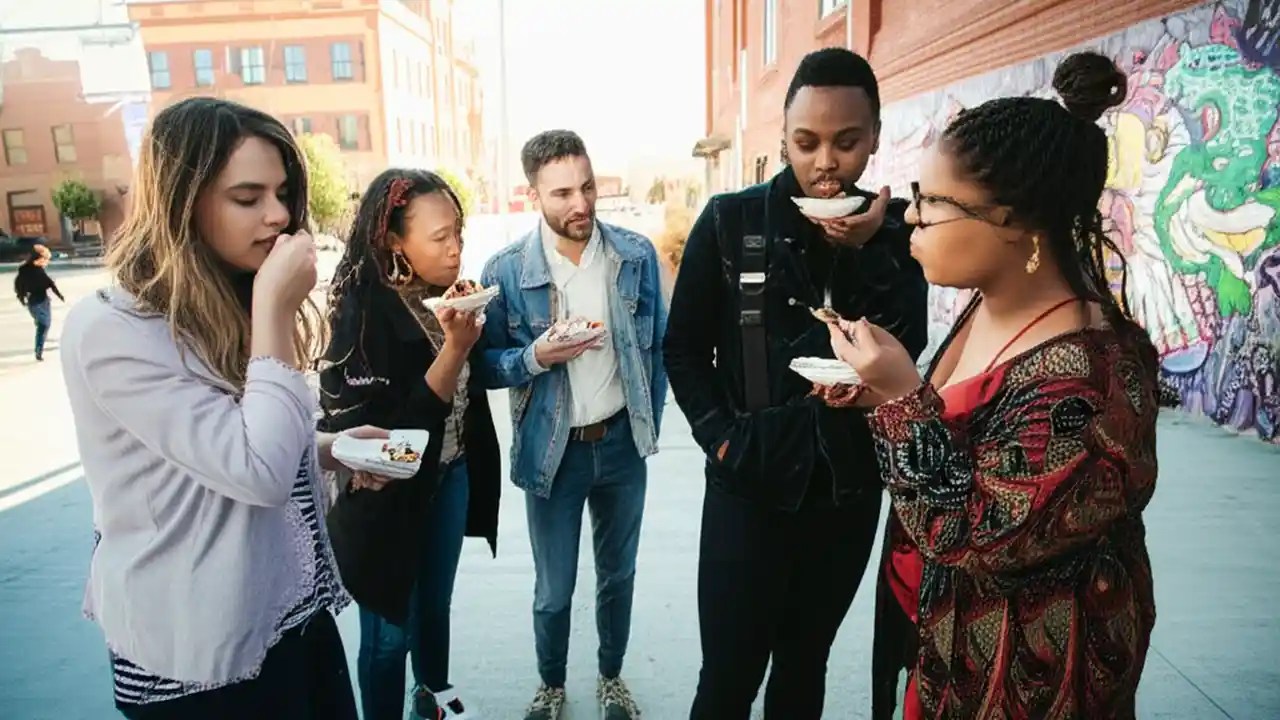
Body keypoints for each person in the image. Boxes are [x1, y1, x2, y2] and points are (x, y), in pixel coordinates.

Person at [824, 52, 1167, 718]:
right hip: (941, 652)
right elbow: (957, 440)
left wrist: (901, 402)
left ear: (1011, 221)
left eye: (931, 202)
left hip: (1028, 685)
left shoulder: (1093, 381)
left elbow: (978, 534)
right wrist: (881, 395)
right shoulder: (988, 302)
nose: (910, 219)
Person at [59, 97, 390, 718]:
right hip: (196, 659)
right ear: (184, 202)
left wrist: (330, 449)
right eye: (247, 197)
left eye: (284, 193)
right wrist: (274, 313)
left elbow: (225, 446)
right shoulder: (113, 329)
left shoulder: (229, 296)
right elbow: (256, 472)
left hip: (291, 615)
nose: (279, 215)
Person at [663, 48, 928, 719]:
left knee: (805, 667)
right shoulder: (730, 221)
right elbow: (685, 349)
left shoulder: (899, 235)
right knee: (727, 678)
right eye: (807, 143)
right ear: (784, 138)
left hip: (845, 492)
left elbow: (907, 346)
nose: (826, 162)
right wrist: (723, 442)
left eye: (846, 142)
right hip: (746, 489)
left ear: (872, 137)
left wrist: (867, 247)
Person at [479, 130, 667, 720]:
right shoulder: (506, 271)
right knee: (553, 591)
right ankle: (551, 686)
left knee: (618, 577)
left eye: (587, 186)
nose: (580, 204)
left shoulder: (633, 256)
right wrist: (538, 356)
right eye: (562, 192)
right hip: (553, 453)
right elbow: (483, 367)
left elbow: (658, 347)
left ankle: (611, 680)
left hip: (619, 446)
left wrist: (646, 423)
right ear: (533, 193)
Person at [318, 169, 501, 720]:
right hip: (387, 496)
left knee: (434, 606)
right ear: (395, 240)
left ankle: (433, 696)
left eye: (459, 234)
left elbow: (473, 390)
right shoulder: (361, 312)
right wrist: (454, 349)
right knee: (389, 631)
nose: (456, 250)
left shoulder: (448, 296)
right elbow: (392, 444)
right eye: (440, 237)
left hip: (451, 474)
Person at [14, 243, 64, 360]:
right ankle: (39, 349)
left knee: (43, 324)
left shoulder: (25, 271)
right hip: (40, 301)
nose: (46, 262)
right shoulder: (35, 271)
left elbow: (19, 286)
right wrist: (60, 295)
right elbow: (50, 283)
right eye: (45, 259)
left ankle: (40, 345)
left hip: (34, 301)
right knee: (44, 325)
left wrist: (21, 298)